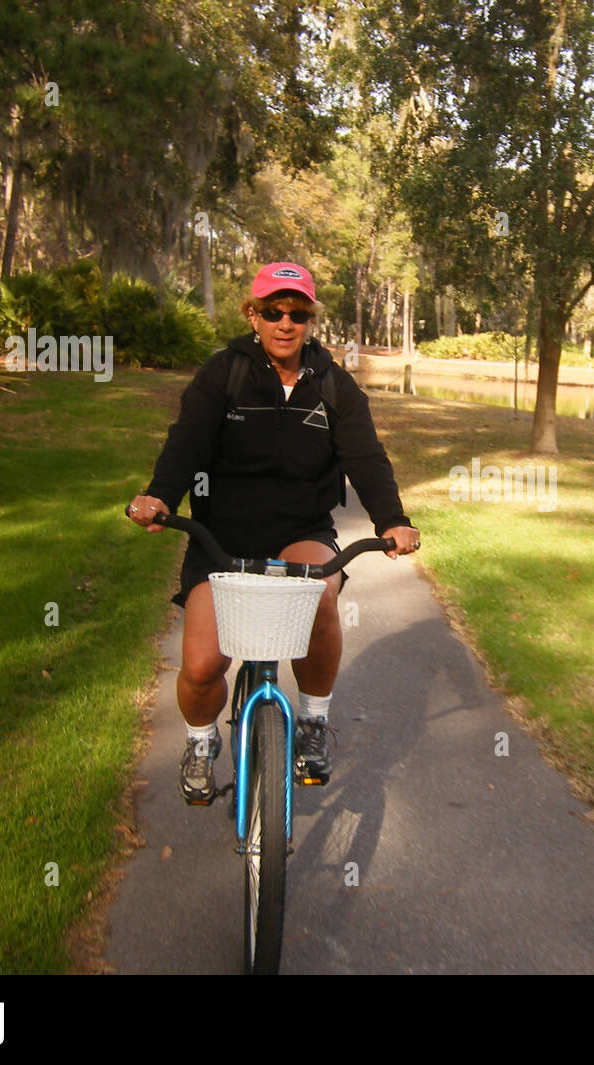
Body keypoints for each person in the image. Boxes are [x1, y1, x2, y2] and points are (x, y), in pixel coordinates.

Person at [127, 262, 419, 804]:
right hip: (222, 538)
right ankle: (199, 742)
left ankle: (311, 723)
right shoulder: (224, 374)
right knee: (202, 665)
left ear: (309, 319)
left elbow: (366, 458)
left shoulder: (333, 383)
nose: (285, 323)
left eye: (298, 313)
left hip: (299, 531)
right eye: (273, 311)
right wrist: (160, 496)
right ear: (253, 314)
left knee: (322, 597)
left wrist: (392, 521)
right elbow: (186, 442)